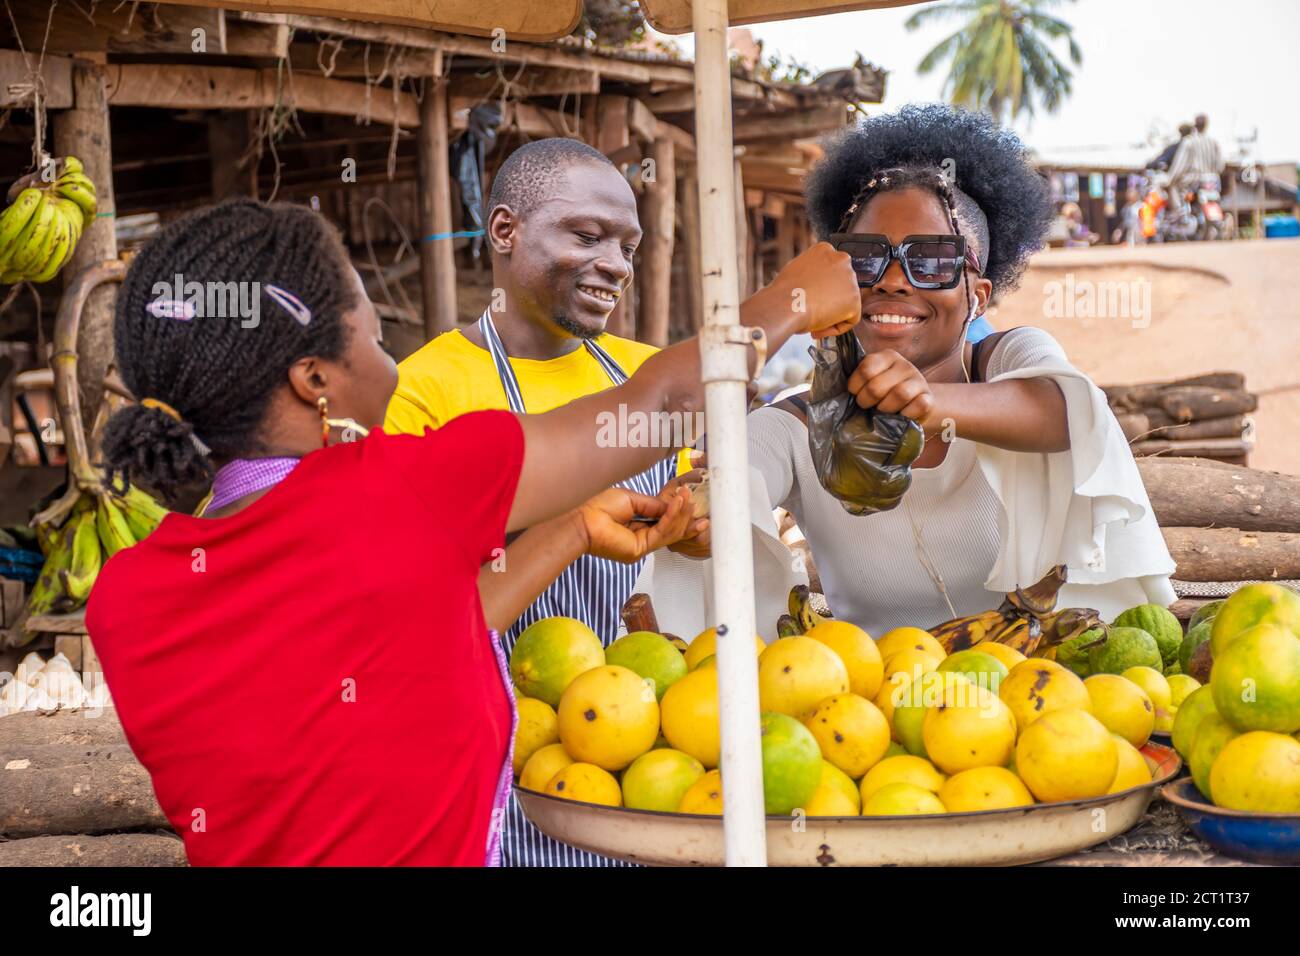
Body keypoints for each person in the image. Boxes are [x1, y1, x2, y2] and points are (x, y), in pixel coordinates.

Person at [85, 198, 860, 866]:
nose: (388, 349)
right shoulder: (401, 487)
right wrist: (792, 302)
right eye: (371, 329)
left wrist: (569, 532)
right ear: (314, 379)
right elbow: (661, 408)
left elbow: (391, 661)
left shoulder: (125, 600)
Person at [641, 105, 1176, 641]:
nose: (894, 281)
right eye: (865, 258)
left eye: (934, 259)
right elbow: (736, 474)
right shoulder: (799, 425)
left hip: (1038, 695)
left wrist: (928, 403)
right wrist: (702, 516)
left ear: (978, 296)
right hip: (864, 712)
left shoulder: (1012, 361)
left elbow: (1071, 413)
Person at [384, 138, 699, 866]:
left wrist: (692, 532)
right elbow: (412, 600)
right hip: (495, 742)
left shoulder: (644, 372)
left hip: (640, 744)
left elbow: (678, 542)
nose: (616, 263)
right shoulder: (425, 389)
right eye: (587, 236)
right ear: (505, 231)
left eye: (628, 244)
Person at [1167, 114, 1224, 214]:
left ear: (1195, 125)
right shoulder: (1213, 142)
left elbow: (1179, 167)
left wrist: (1170, 179)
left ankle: (1179, 213)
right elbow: (1220, 166)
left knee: (1172, 185)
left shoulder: (1189, 142)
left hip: (1194, 180)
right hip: (1213, 181)